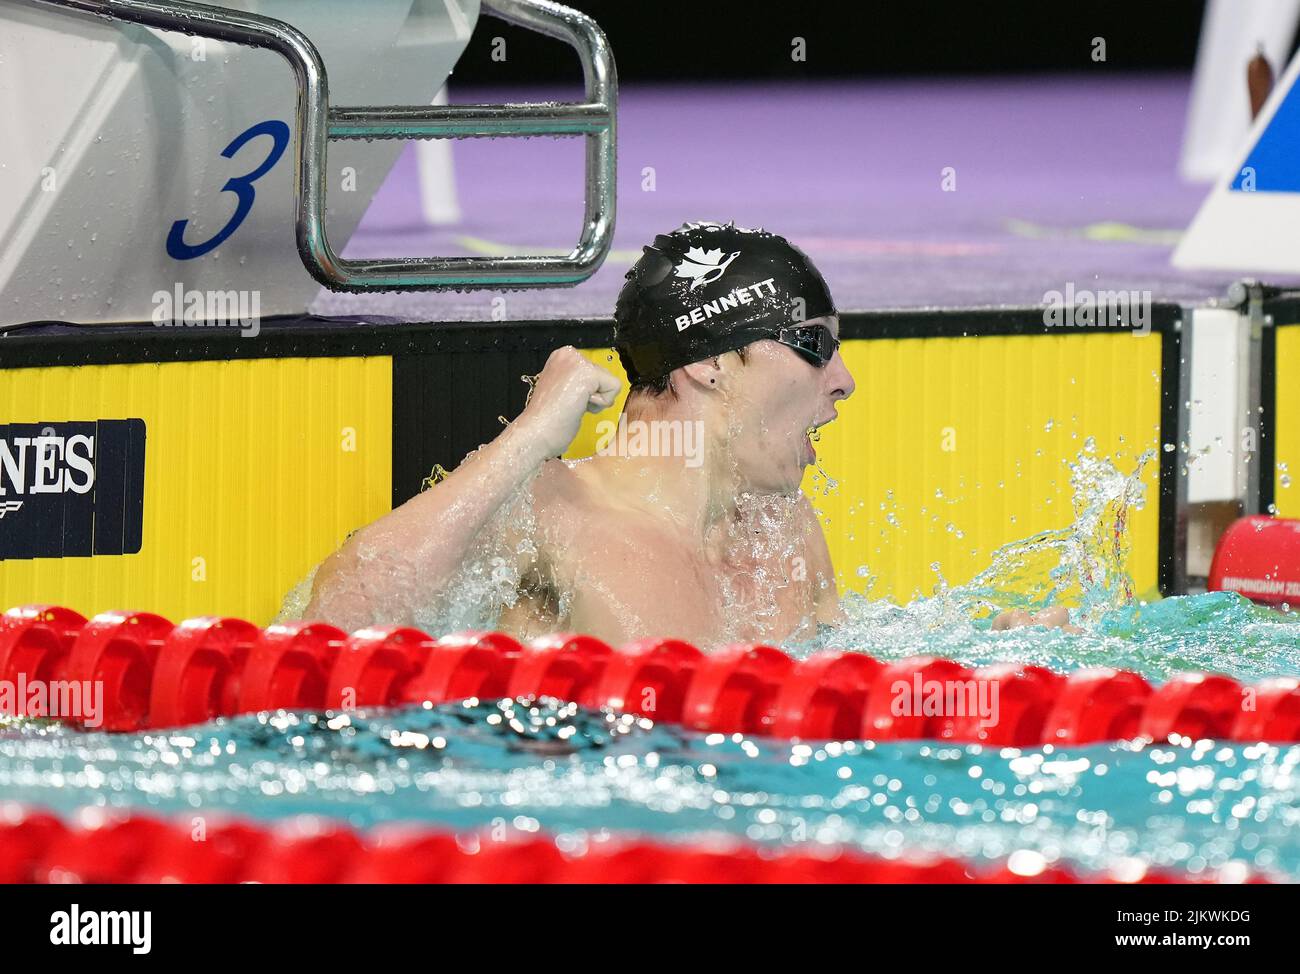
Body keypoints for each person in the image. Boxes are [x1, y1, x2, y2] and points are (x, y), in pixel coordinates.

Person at [301, 221, 1069, 645]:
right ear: (709, 365)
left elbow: (844, 687)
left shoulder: (787, 532)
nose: (843, 379)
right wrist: (533, 435)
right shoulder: (554, 510)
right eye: (812, 345)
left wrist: (984, 657)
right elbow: (332, 625)